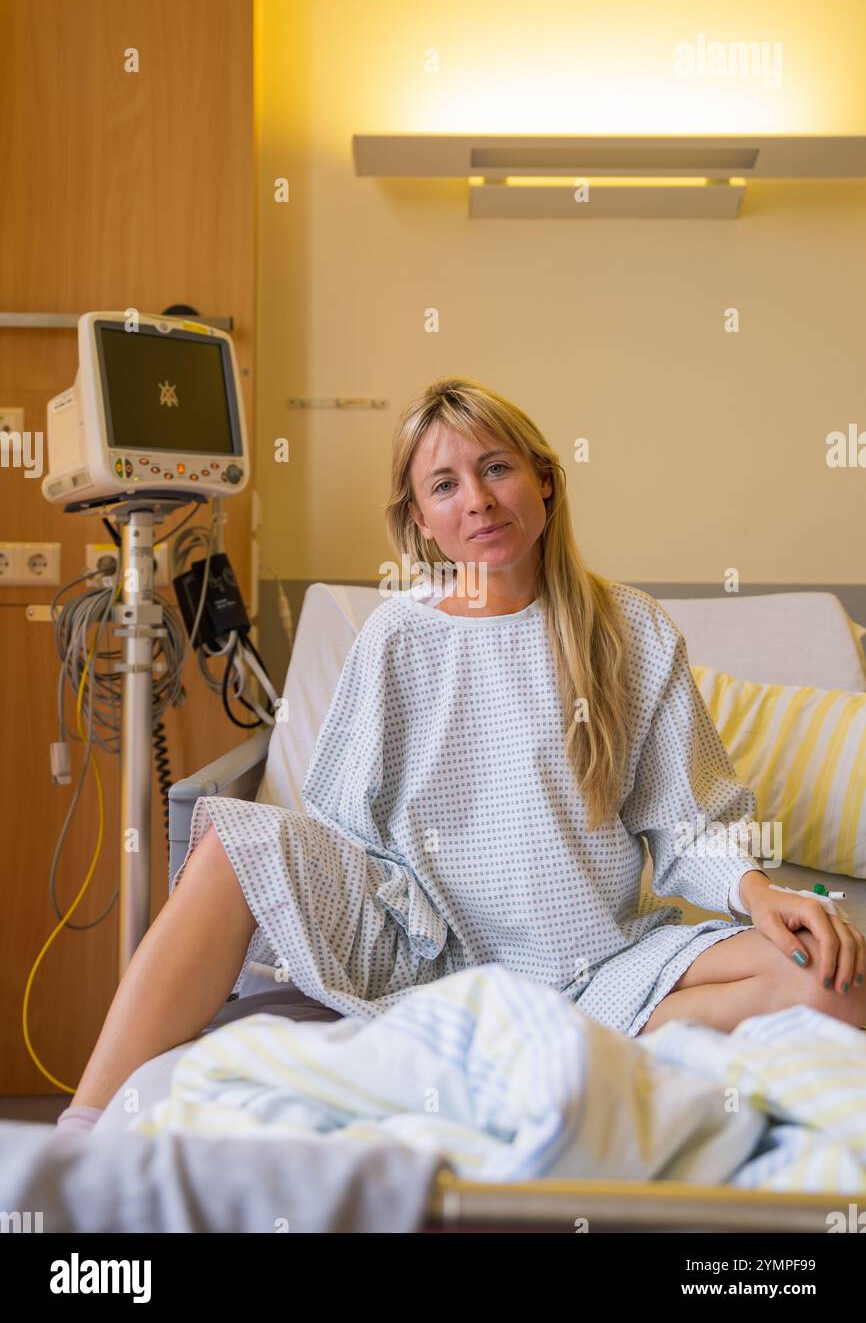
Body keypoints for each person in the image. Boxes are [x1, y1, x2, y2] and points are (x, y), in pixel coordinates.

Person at [59, 376, 866, 1134]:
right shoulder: (396, 637)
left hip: (597, 959)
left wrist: (758, 893)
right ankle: (78, 1132)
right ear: (419, 518)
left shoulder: (631, 629)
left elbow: (686, 820)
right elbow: (338, 832)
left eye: (495, 468)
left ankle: (567, 1031)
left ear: (544, 481)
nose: (476, 500)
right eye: (444, 485)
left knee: (829, 982)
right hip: (423, 948)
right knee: (233, 839)